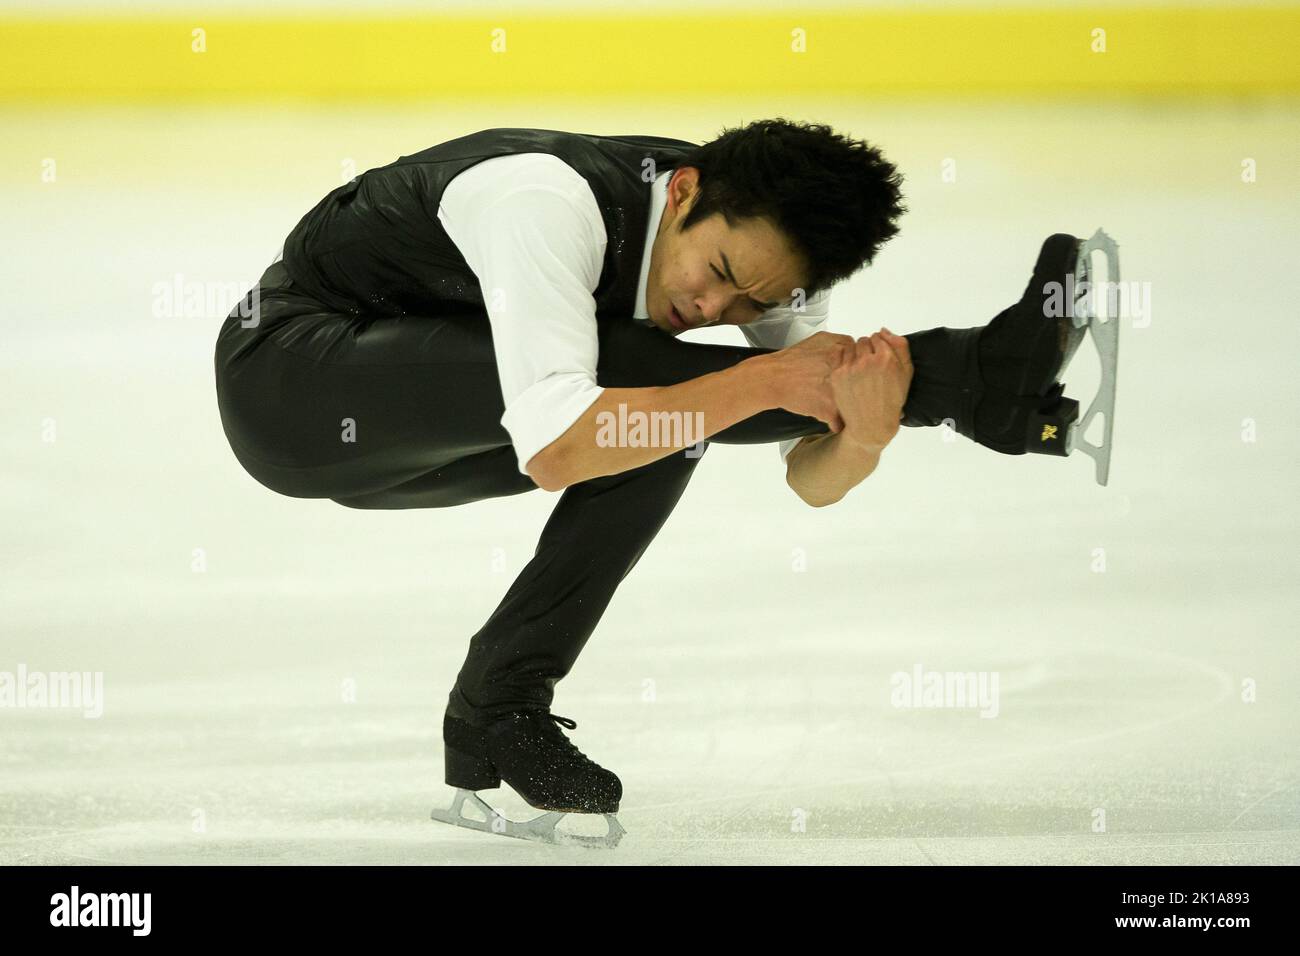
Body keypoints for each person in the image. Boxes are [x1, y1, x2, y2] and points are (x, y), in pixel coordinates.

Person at [214, 119, 1085, 831]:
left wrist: (864, 429)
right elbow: (558, 449)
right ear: (685, 190)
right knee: (666, 387)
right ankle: (978, 379)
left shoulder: (776, 274)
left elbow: (809, 481)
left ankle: (497, 710)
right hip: (294, 389)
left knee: (672, 416)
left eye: (757, 306)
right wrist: (750, 380)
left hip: (438, 439)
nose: (719, 311)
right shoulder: (543, 202)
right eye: (719, 276)